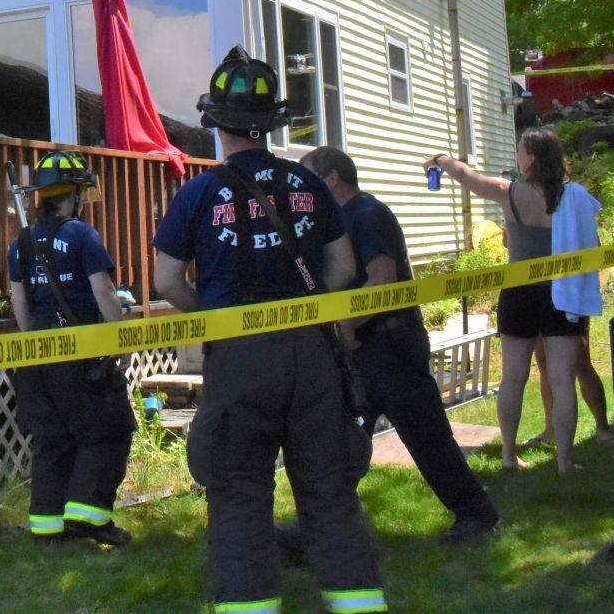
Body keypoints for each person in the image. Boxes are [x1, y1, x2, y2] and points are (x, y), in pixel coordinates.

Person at [154, 48, 386, 614]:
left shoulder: (200, 193)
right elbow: (343, 270)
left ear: (215, 122)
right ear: (273, 122)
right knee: (329, 492)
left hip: (238, 361)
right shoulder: (309, 184)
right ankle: (359, 605)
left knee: (238, 495)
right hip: (312, 357)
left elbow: (166, 280)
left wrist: (212, 315)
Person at [303, 146, 502, 544]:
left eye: (309, 179)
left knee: (426, 437)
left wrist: (348, 326)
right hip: (361, 350)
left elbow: (383, 279)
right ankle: (322, 528)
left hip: (390, 346)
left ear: (331, 179)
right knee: (337, 439)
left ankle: (477, 516)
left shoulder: (368, 214)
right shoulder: (341, 219)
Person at [427, 129, 582, 472]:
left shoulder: (509, 192)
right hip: (562, 291)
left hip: (520, 292)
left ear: (530, 159)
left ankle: (509, 455)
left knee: (513, 377)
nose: (517, 156)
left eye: (520, 151)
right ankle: (565, 462)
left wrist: (440, 160)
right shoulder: (572, 196)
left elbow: (467, 176)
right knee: (561, 378)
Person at [7, 151, 135, 547]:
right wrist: (120, 340)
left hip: (39, 360)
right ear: (74, 195)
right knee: (108, 432)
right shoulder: (83, 234)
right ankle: (89, 519)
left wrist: (35, 346)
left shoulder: (22, 242)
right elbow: (103, 290)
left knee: (52, 441)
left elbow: (19, 301)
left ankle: (48, 528)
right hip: (81, 355)